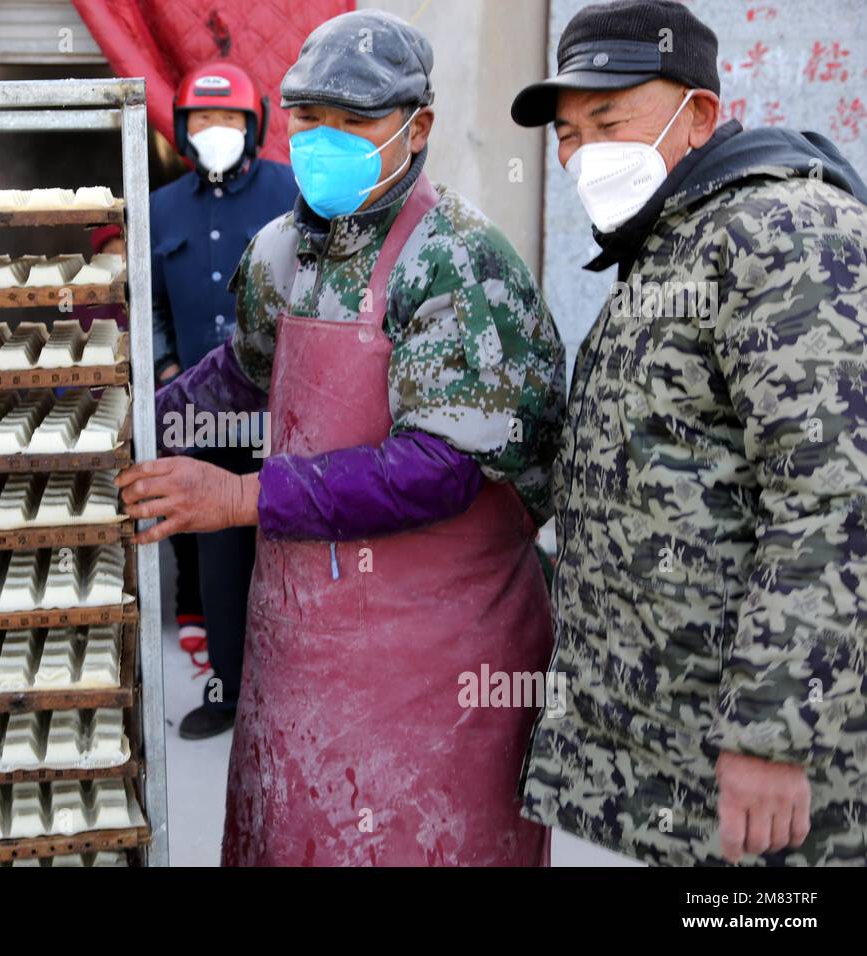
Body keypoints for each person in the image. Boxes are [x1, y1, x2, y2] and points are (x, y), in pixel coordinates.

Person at [119, 11, 566, 865]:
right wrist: (132, 427)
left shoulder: (458, 262)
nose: (326, 139)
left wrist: (242, 497)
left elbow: (438, 470)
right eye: (309, 118)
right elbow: (241, 371)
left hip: (442, 655)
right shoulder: (282, 252)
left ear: (417, 127)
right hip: (303, 636)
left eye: (355, 120)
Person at [511, 0, 867, 865]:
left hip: (762, 768)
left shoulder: (782, 231)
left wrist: (773, 734)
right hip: (675, 750)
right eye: (566, 132)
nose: (582, 152)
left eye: (609, 118)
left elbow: (832, 498)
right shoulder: (674, 242)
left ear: (698, 113)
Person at [150, 61, 299, 740]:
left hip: (283, 406)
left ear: (255, 126)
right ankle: (229, 691)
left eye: (230, 120)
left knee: (292, 541)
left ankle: (296, 694)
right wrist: (164, 362)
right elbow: (146, 301)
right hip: (203, 412)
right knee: (218, 555)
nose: (217, 131)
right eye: (204, 120)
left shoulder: (293, 192)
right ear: (184, 129)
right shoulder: (161, 207)